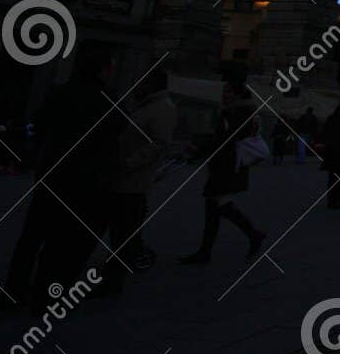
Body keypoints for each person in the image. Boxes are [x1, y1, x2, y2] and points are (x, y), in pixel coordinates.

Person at [0, 48, 118, 311]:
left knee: (31, 237)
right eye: (109, 67)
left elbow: (39, 127)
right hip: (81, 180)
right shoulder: (106, 101)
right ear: (101, 70)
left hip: (50, 173)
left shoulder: (59, 93)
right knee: (59, 241)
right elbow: (114, 140)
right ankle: (44, 297)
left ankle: (11, 294)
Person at [96, 65, 177, 294]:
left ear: (151, 85)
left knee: (124, 227)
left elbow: (159, 143)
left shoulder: (162, 108)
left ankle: (114, 279)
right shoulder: (145, 104)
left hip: (133, 179)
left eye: (140, 82)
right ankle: (132, 258)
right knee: (122, 227)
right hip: (120, 177)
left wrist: (129, 163)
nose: (135, 86)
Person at [180, 105, 267, 264]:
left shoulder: (237, 114)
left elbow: (224, 140)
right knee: (215, 208)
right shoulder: (236, 113)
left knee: (217, 205)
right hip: (224, 166)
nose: (225, 95)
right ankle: (207, 251)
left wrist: (199, 149)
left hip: (225, 167)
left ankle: (252, 234)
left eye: (229, 91)